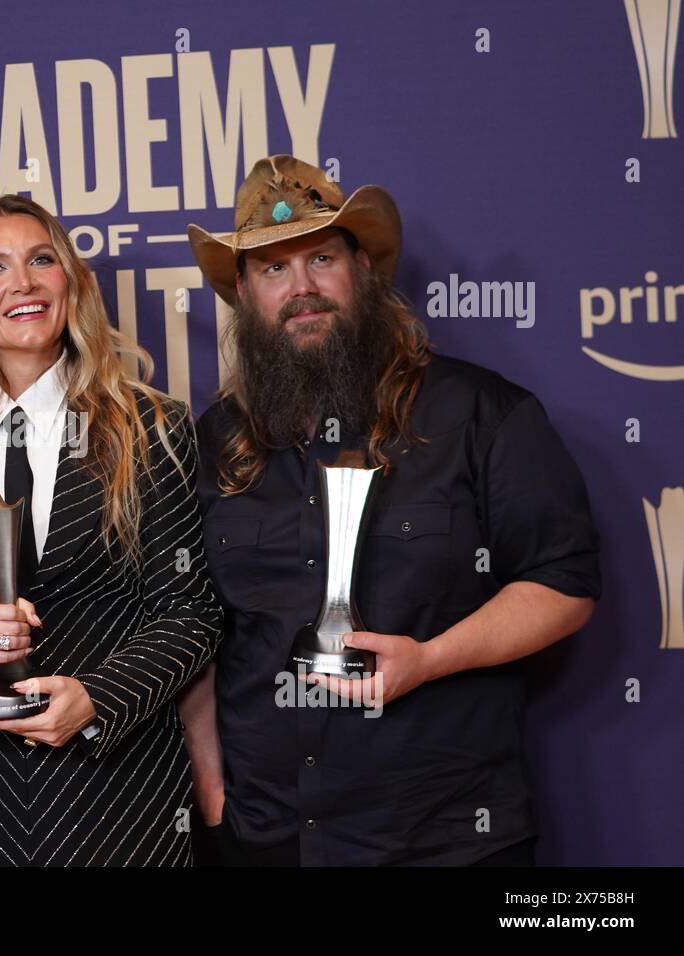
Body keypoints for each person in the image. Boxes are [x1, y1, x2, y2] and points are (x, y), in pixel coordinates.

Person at [181, 156, 600, 866]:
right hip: (270, 838)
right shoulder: (216, 443)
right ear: (245, 295)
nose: (302, 289)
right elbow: (197, 635)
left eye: (321, 258)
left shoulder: (479, 414)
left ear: (365, 271)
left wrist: (431, 660)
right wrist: (217, 799)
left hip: (441, 838)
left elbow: (563, 585)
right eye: (273, 270)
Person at [0, 195, 222, 866]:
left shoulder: (151, 428)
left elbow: (192, 615)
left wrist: (96, 699)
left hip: (122, 784)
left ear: (72, 282)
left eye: (41, 260)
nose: (23, 283)